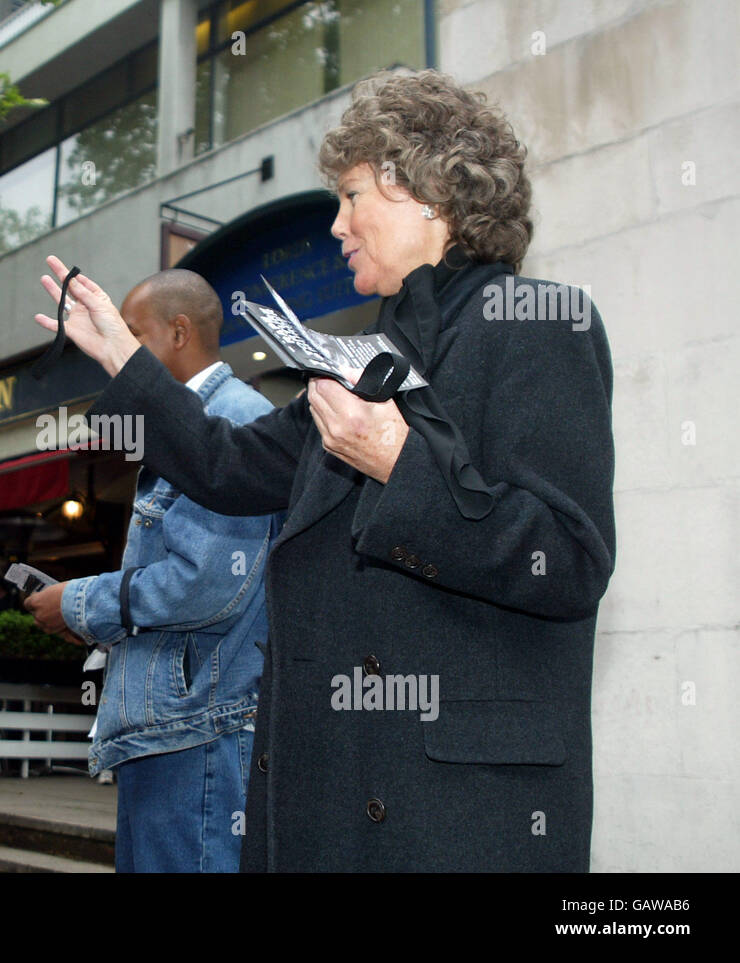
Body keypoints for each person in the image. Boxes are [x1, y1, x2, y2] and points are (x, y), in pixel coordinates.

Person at [34, 70, 616, 872]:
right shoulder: (366, 358)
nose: (337, 223)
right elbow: (226, 465)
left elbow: (570, 559)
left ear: (427, 191)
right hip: (324, 797)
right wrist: (125, 360)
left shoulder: (538, 327)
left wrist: (396, 461)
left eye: (350, 196)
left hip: (452, 812)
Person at [25, 270, 277, 873]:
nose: (115, 355)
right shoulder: (194, 423)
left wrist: (79, 603)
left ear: (179, 332)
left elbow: (208, 582)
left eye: (130, 336)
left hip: (199, 733)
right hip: (181, 729)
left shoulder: (232, 419)